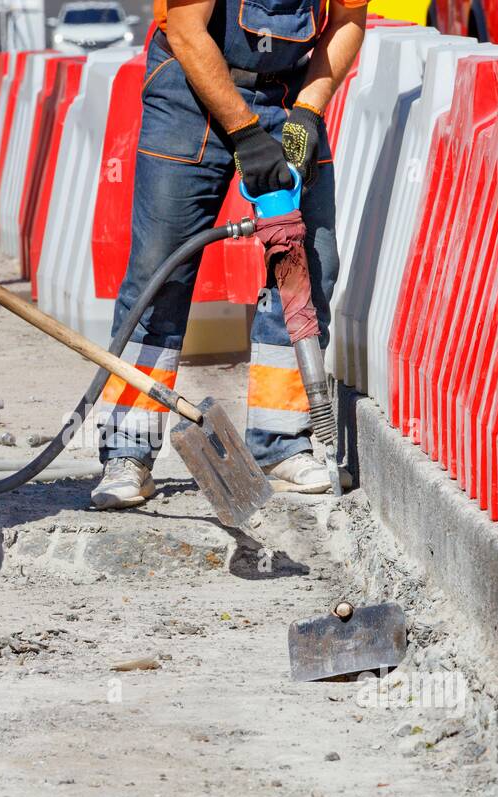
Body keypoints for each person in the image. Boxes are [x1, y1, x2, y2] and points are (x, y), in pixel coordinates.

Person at [90, 0, 367, 510]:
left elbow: (349, 22)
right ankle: (127, 450)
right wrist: (245, 134)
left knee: (307, 261)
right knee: (160, 272)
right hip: (189, 92)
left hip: (286, 92)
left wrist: (306, 111)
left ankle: (282, 444)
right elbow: (186, 29)